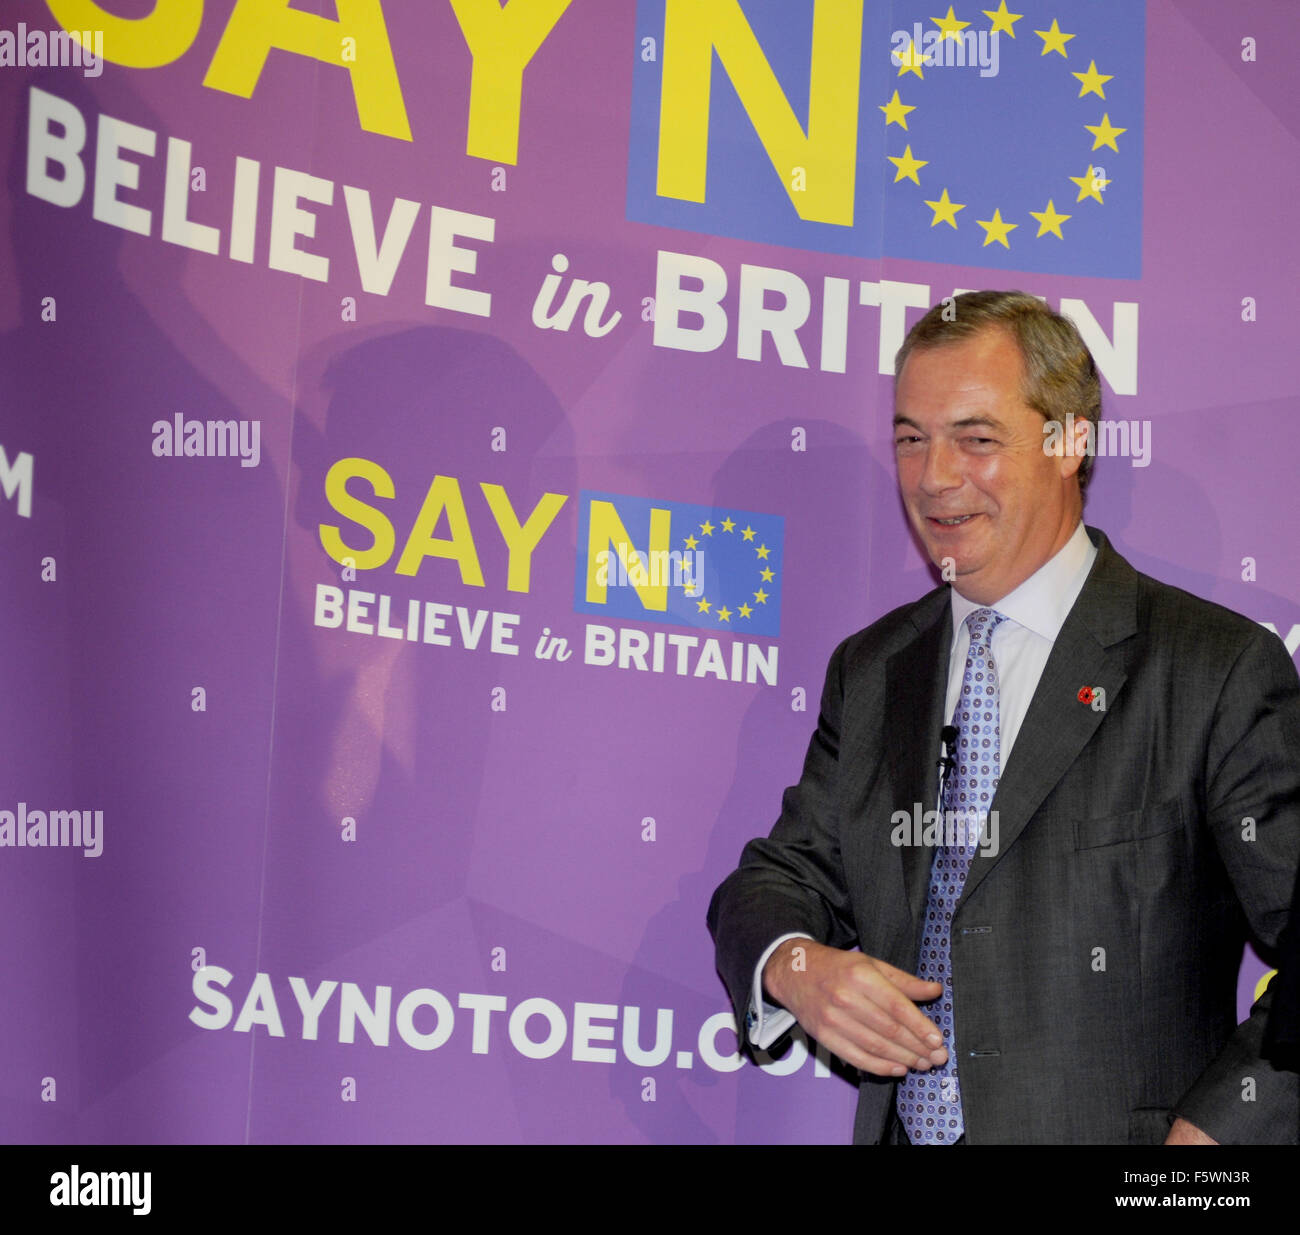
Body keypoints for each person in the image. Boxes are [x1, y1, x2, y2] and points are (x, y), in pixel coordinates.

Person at [708, 290, 1300, 1145]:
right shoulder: (875, 672)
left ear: (1071, 442)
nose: (934, 477)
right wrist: (799, 967)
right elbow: (773, 882)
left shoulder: (1214, 668)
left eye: (975, 439)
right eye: (912, 438)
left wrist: (1211, 1147)